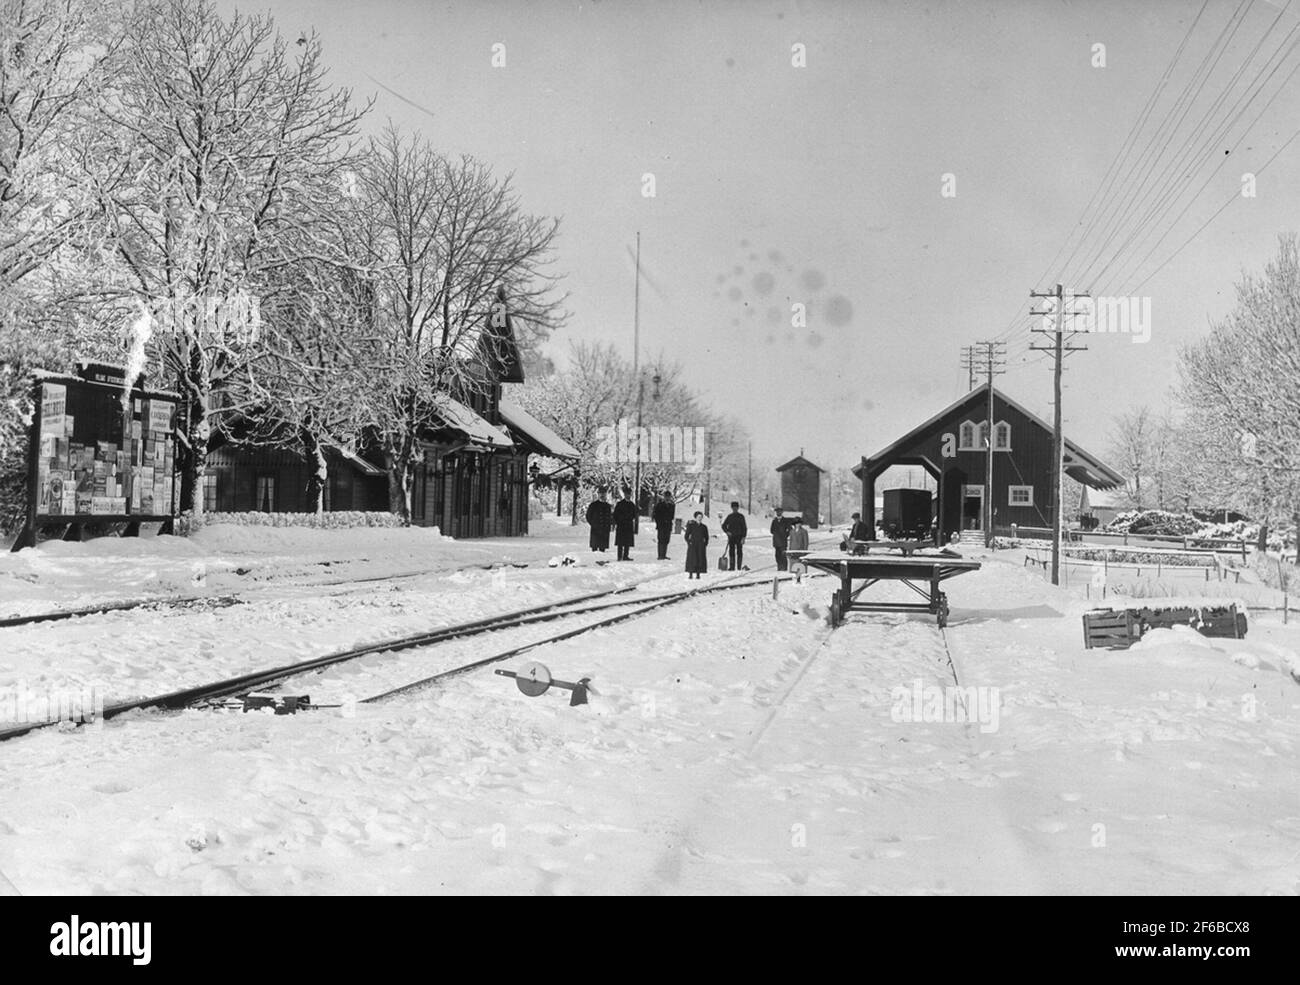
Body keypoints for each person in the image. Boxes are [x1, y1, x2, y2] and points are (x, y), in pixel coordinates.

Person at [612, 486, 637, 561]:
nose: (628, 495)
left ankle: (626, 556)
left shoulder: (632, 505)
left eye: (629, 494)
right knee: (620, 542)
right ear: (624, 494)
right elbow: (615, 514)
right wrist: (619, 521)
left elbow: (634, 514)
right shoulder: (620, 504)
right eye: (626, 494)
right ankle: (619, 556)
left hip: (628, 525)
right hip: (621, 525)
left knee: (627, 542)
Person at [721, 501, 747, 571]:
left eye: (736, 507)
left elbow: (744, 528)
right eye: (733, 508)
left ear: (738, 508)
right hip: (731, 537)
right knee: (731, 551)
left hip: (739, 537)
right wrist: (727, 532)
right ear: (731, 508)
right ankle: (732, 567)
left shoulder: (741, 517)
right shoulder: (730, 517)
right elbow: (723, 526)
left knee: (739, 551)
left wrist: (743, 537)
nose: (735, 509)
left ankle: (739, 567)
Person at [684, 510, 709, 579]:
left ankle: (698, 574)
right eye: (698, 517)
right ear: (695, 517)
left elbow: (706, 537)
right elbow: (686, 536)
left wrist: (705, 544)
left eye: (701, 517)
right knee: (692, 559)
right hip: (693, 545)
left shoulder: (704, 527)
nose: (699, 518)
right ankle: (690, 574)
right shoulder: (691, 525)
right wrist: (689, 542)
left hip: (701, 545)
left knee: (699, 559)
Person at [651, 490, 675, 560]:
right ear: (664, 497)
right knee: (661, 540)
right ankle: (660, 555)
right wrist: (659, 523)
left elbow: (672, 516)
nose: (667, 498)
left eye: (669, 497)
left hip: (668, 525)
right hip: (661, 525)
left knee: (666, 540)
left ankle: (664, 554)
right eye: (666, 497)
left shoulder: (672, 505)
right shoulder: (659, 505)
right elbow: (656, 515)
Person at [786, 515, 810, 579]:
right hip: (793, 550)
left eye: (799, 523)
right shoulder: (792, 531)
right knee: (793, 564)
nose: (797, 525)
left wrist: (805, 551)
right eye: (796, 524)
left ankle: (799, 577)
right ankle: (795, 576)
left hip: (800, 550)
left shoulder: (804, 531)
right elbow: (791, 541)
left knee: (800, 564)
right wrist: (790, 550)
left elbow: (806, 542)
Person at [770, 507, 792, 571]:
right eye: (777, 512)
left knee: (783, 556)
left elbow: (790, 529)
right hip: (776, 542)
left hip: (783, 541)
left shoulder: (785, 520)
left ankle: (784, 568)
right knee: (777, 555)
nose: (778, 513)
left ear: (782, 512)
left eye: (779, 512)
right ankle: (779, 567)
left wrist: (785, 535)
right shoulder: (774, 521)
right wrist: (776, 534)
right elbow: (771, 530)